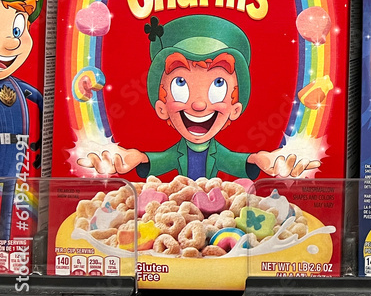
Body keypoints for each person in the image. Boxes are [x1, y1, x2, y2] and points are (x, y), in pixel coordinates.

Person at [78, 15, 318, 179]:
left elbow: (238, 162)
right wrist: (133, 158)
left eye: (218, 85)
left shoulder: (218, 153)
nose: (199, 104)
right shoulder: (177, 153)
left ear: (235, 109)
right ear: (161, 108)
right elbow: (159, 160)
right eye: (180, 84)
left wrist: (262, 160)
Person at [0, 0, 42, 241]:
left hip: (17, 152)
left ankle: (5, 242)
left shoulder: (17, 86)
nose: (10, 42)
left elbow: (37, 97)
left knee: (10, 199)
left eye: (17, 29)